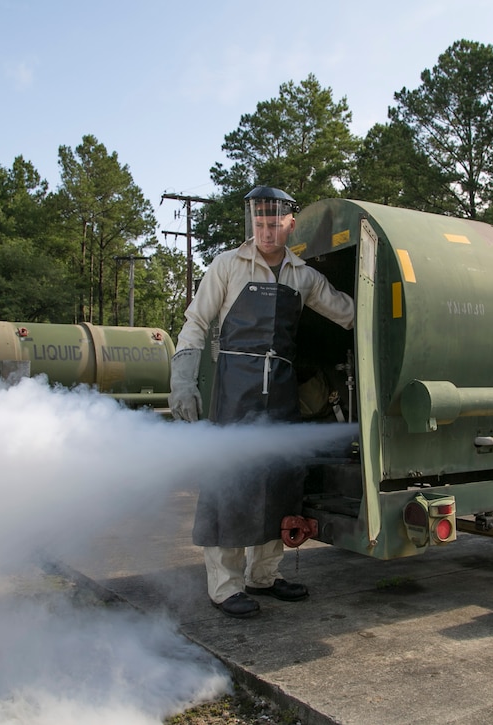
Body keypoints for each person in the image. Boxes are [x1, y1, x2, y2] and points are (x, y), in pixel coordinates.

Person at [168, 186, 354, 618]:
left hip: (283, 390)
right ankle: (225, 585)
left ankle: (263, 576)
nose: (266, 231)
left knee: (280, 480)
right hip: (236, 389)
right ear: (253, 223)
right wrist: (183, 378)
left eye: (274, 224)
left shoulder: (303, 276)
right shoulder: (227, 266)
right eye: (260, 223)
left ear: (291, 224)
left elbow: (346, 312)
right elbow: (196, 321)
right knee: (231, 484)